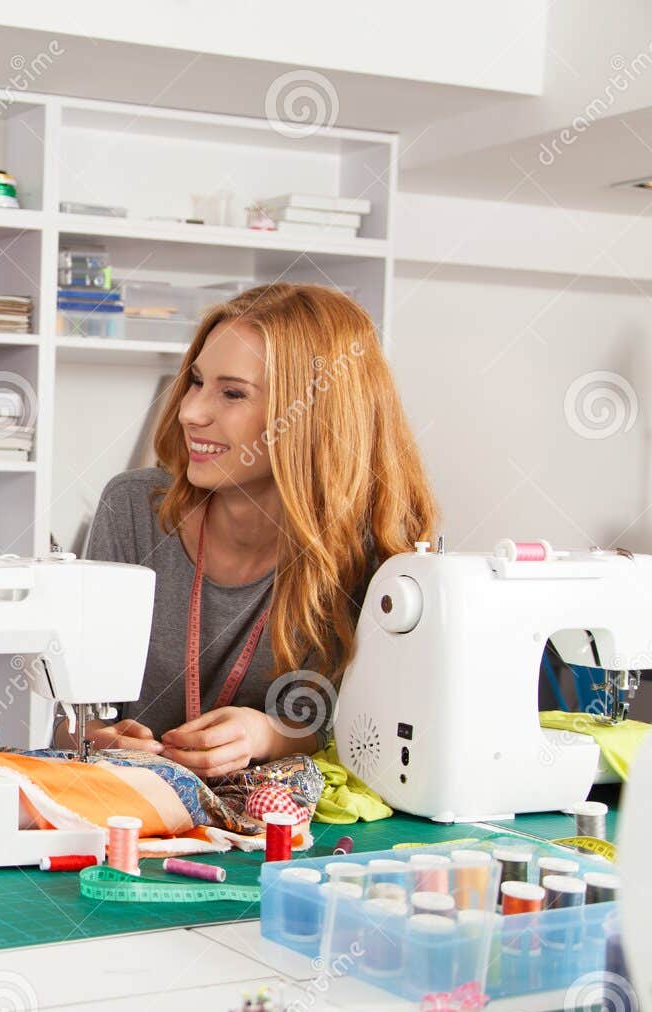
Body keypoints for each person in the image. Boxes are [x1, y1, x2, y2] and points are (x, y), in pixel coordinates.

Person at [73, 282, 438, 778]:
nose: (190, 411)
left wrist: (270, 734)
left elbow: (391, 728)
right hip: (136, 819)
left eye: (232, 393)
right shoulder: (134, 509)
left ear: (313, 416)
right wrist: (92, 736)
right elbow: (74, 716)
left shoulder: (382, 554)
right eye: (196, 382)